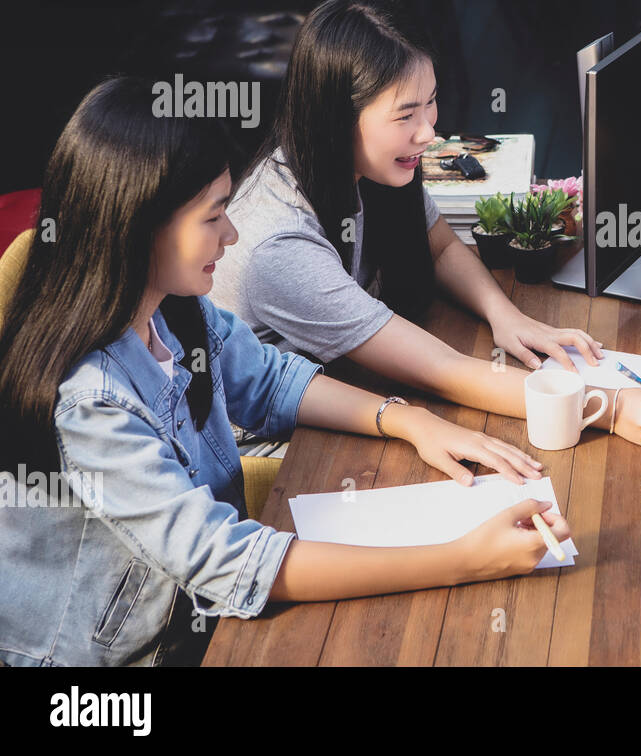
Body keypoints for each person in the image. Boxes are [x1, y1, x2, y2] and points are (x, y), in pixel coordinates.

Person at [0, 78, 574, 667]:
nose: (231, 233)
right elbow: (225, 564)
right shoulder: (92, 402)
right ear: (138, 227)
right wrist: (463, 559)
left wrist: (407, 420)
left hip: (195, 603)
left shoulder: (170, 305)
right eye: (214, 215)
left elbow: (271, 381)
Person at [211, 0, 641, 456]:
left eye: (431, 101)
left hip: (348, 384)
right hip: (276, 447)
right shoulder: (280, 243)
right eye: (406, 114)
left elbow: (441, 247)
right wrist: (611, 408)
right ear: (336, 119)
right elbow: (442, 371)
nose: (429, 131)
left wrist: (504, 315)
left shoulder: (370, 163)